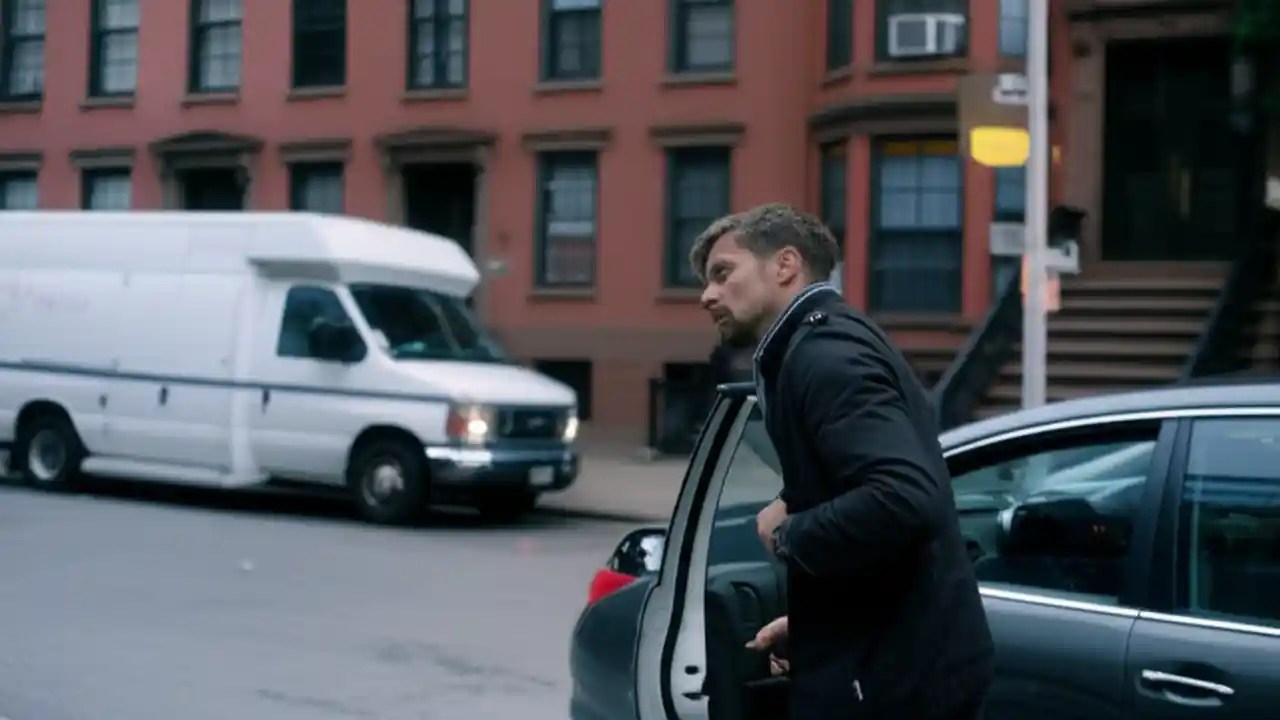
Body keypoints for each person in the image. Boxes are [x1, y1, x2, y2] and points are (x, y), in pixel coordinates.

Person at [690, 203, 993, 719]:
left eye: (723, 273)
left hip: (896, 683)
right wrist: (815, 626)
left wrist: (790, 535)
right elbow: (872, 511)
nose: (707, 295)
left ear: (785, 265)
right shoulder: (820, 342)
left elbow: (903, 498)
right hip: (887, 655)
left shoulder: (825, 355)